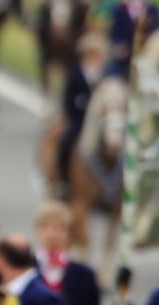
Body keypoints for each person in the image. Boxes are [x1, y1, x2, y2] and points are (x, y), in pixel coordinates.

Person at [34, 202, 102, 305]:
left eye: (58, 229)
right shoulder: (27, 268)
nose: (51, 234)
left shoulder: (84, 274)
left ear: (68, 233)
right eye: (46, 228)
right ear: (38, 231)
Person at [54, 35, 109, 201]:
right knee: (68, 140)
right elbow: (68, 98)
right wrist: (77, 106)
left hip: (98, 121)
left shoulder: (103, 76)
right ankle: (63, 179)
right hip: (79, 118)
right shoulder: (76, 74)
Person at [107, 0, 159, 77]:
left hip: (147, 52)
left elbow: (158, 31)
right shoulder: (120, 10)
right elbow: (115, 33)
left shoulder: (152, 9)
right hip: (125, 56)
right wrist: (119, 46)